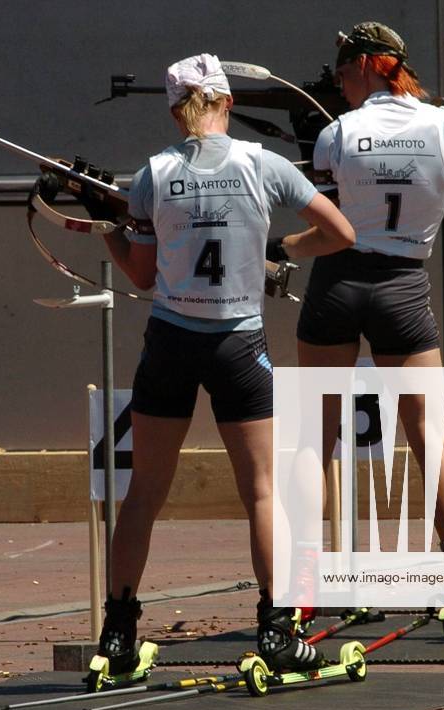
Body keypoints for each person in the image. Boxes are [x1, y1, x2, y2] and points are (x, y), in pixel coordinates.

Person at [85, 53, 356, 676]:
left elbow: (141, 272)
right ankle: (277, 631)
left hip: (172, 338)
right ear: (227, 103)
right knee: (261, 492)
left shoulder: (154, 175)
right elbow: (340, 232)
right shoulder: (265, 165)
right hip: (239, 342)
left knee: (144, 493)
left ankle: (119, 636)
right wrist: (281, 248)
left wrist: (107, 228)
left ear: (178, 109)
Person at [305, 22, 444, 619]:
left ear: (366, 65)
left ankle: (302, 584)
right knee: (429, 434)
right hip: (403, 283)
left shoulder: (338, 132)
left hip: (338, 281)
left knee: (314, 437)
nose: (339, 85)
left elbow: (326, 206)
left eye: (343, 72)